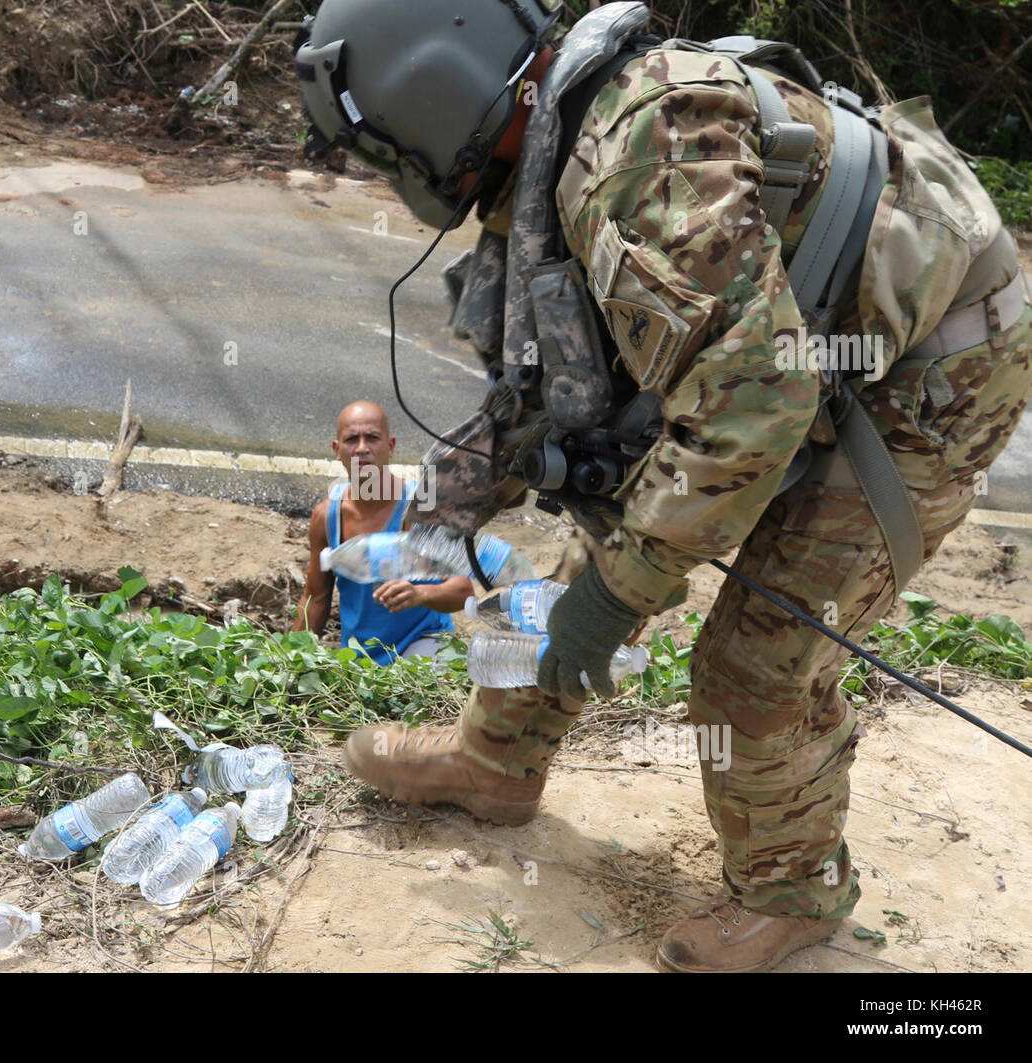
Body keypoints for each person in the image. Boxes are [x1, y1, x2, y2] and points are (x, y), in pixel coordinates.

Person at [296, 1, 1032, 972]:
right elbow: (552, 389)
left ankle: (790, 892)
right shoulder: (555, 146)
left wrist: (614, 598)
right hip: (799, 343)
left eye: (380, 153)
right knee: (602, 535)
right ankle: (497, 761)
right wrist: (447, 506)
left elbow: (753, 411)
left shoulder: (639, 162)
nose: (384, 179)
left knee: (755, 657)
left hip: (935, 362)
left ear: (429, 100)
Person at [293, 400, 473, 664]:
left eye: (373, 438)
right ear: (337, 450)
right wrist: (292, 659)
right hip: (361, 659)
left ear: (390, 447)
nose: (362, 448)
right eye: (352, 439)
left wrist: (420, 594)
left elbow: (463, 590)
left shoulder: (421, 509)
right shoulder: (327, 517)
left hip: (422, 644)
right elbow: (316, 598)